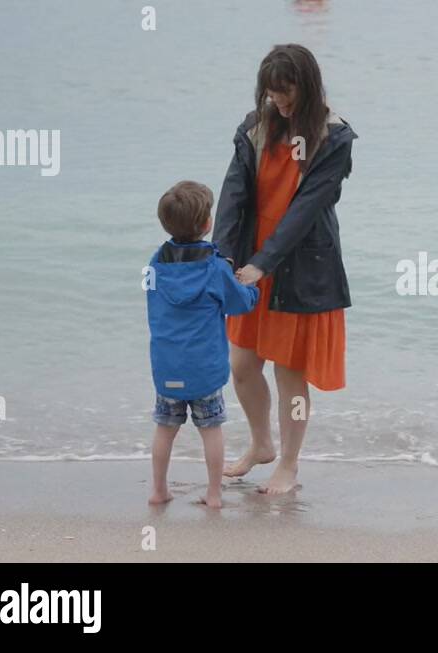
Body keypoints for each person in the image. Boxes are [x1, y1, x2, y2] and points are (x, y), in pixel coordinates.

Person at [213, 43, 358, 494]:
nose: (278, 101)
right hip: (252, 263)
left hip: (299, 265)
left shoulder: (333, 137)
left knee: (289, 374)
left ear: (308, 85)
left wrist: (263, 264)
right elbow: (233, 194)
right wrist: (222, 258)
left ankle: (289, 466)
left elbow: (307, 210)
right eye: (272, 93)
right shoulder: (255, 127)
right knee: (240, 365)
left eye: (286, 92)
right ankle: (261, 445)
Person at [146, 181, 259, 508]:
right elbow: (240, 303)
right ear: (208, 224)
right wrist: (253, 289)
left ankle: (158, 490)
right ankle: (213, 494)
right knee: (211, 430)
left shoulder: (156, 263)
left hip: (167, 366)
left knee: (164, 428)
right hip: (204, 370)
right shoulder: (214, 268)